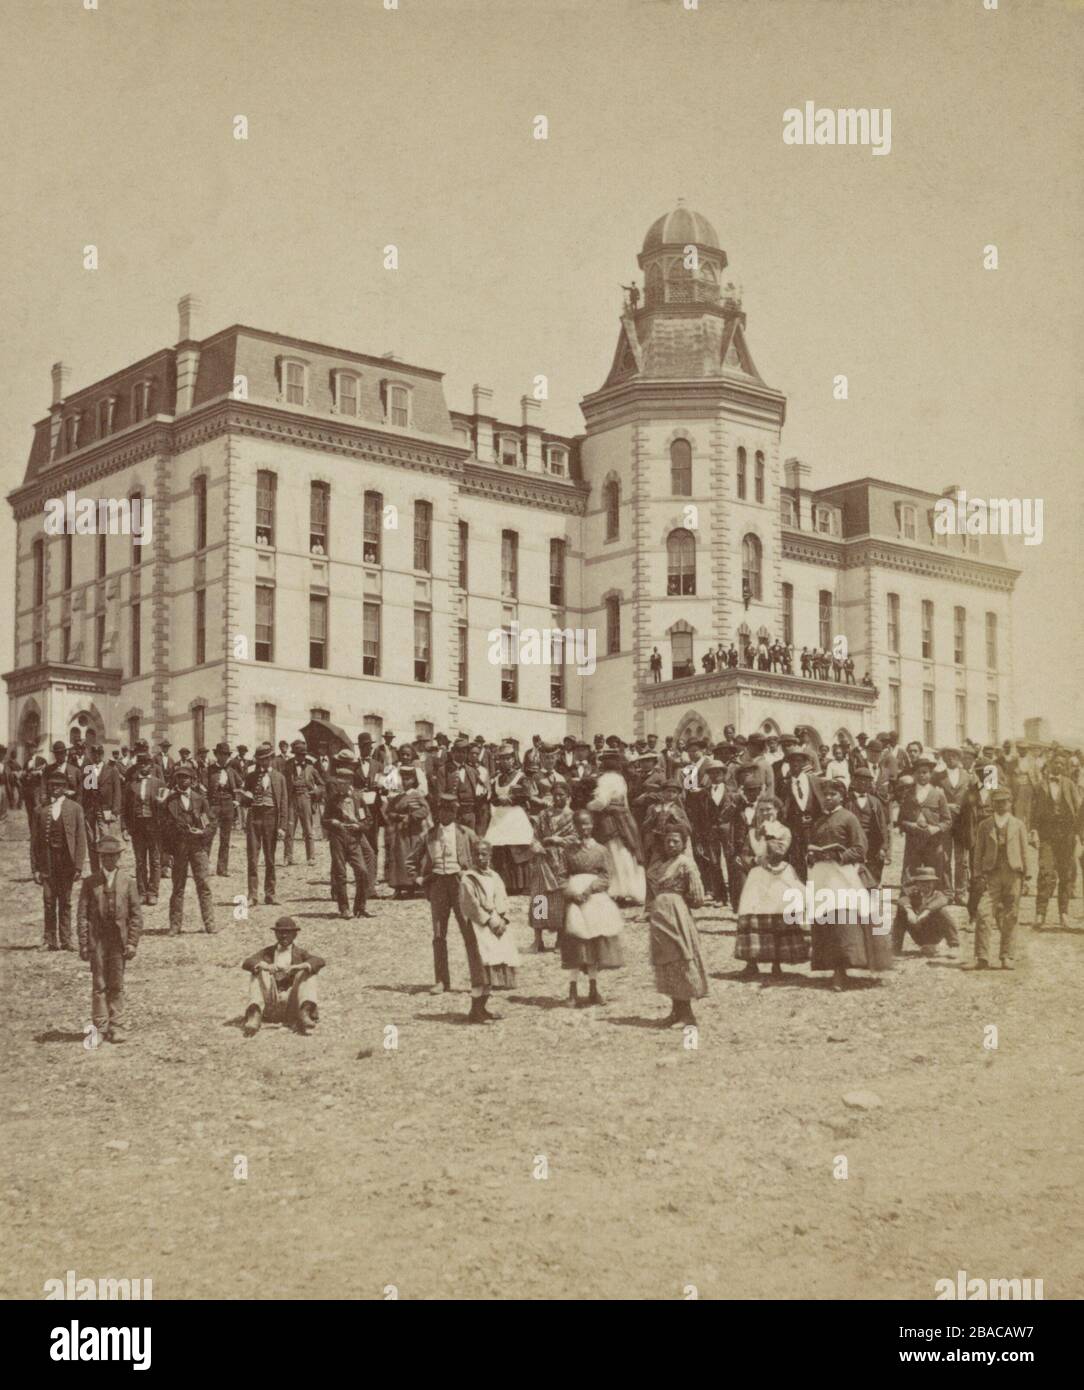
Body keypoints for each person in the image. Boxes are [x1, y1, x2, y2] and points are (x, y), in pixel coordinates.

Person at [808, 778, 893, 990]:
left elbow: (860, 848)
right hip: (822, 876)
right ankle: (832, 965)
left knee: (844, 921)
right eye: (825, 794)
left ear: (841, 797)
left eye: (832, 794)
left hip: (843, 876)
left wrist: (840, 855)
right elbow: (811, 846)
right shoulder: (818, 821)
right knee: (826, 920)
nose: (828, 798)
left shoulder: (849, 818)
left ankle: (842, 970)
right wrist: (812, 855)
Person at [77, 834, 142, 1044]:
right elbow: (83, 915)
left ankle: (116, 1025)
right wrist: (84, 942)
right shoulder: (90, 882)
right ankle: (100, 1027)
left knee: (117, 983)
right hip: (98, 939)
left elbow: (135, 915)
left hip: (118, 941)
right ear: (100, 858)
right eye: (105, 856)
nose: (109, 860)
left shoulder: (127, 882)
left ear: (119, 857)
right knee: (99, 984)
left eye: (113, 856)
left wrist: (132, 942)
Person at [734, 798, 808, 979]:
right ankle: (752, 962)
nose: (765, 813)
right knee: (752, 913)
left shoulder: (784, 831)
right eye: (761, 810)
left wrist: (767, 836)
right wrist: (752, 861)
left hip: (779, 875)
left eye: (769, 809)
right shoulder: (752, 832)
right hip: (757, 875)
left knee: (777, 915)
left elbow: (779, 853)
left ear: (777, 811)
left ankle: (777, 963)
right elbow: (744, 854)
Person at [561, 809, 624, 1007]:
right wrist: (571, 893)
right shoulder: (568, 850)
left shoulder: (601, 850)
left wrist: (589, 891)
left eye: (587, 824)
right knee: (576, 944)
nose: (584, 828)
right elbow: (561, 876)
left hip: (594, 900)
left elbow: (606, 877)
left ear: (593, 825)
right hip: (575, 901)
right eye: (580, 824)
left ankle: (593, 988)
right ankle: (572, 990)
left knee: (594, 944)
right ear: (575, 826)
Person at [645, 828, 708, 1025]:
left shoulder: (686, 864)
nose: (671, 845)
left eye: (675, 841)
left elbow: (698, 897)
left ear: (683, 843)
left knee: (680, 958)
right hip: (659, 917)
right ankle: (675, 1010)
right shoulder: (660, 865)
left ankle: (687, 1013)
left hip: (677, 915)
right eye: (668, 841)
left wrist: (678, 900)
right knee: (667, 961)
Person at [419, 794, 480, 994]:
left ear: (456, 812)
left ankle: (478, 979)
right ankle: (441, 981)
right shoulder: (429, 834)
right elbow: (412, 860)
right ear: (438, 812)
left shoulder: (466, 833)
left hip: (459, 883)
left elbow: (482, 856)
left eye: (451, 810)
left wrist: (472, 878)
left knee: (469, 932)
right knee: (438, 934)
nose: (447, 813)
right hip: (437, 884)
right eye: (443, 809)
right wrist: (420, 879)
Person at [457, 840, 521, 1023]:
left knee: (493, 966)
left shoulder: (494, 876)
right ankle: (475, 1010)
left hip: (496, 925)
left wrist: (502, 918)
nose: (480, 857)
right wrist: (490, 920)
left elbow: (502, 897)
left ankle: (483, 1008)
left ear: (490, 855)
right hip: (479, 927)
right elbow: (470, 906)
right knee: (480, 969)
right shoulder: (468, 879)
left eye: (484, 854)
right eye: (477, 854)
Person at [966, 786, 1028, 971]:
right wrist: (977, 874)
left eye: (1005, 801)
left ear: (1011, 803)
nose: (1001, 805)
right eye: (997, 802)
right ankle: (982, 957)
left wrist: (1028, 876)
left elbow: (1025, 851)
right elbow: (978, 852)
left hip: (1013, 873)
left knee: (1011, 914)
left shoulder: (1018, 824)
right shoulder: (985, 825)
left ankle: (1007, 956)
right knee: (983, 912)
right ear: (992, 804)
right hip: (991, 874)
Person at [33, 770, 88, 950]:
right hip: (47, 861)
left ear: (65, 788)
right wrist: (35, 868)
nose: (55, 789)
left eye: (59, 786)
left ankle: (66, 939)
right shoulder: (40, 810)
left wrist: (78, 866)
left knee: (66, 901)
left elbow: (81, 840)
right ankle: (49, 939)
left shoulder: (75, 808)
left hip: (66, 862)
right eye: (52, 785)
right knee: (48, 900)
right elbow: (34, 843)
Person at [242, 917, 323, 1036]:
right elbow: (248, 962)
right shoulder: (268, 952)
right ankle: (255, 1014)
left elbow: (319, 961)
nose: (284, 936)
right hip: (271, 1003)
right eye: (280, 932)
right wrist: (264, 965)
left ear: (295, 935)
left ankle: (305, 1012)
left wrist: (299, 966)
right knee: (257, 970)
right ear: (275, 934)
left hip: (292, 1003)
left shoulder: (300, 953)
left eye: (288, 933)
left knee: (308, 971)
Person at [161, 766, 217, 935]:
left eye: (186, 777)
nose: (182, 780)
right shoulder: (170, 802)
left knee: (203, 885)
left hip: (197, 848)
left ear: (192, 780)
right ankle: (175, 925)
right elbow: (164, 828)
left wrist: (202, 832)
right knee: (178, 887)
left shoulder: (200, 800)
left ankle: (210, 923)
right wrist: (166, 852)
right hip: (179, 849)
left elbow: (211, 824)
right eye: (179, 777)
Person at [1029, 752, 1082, 928]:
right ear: (1050, 764)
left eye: (1061, 764)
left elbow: (1078, 809)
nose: (1058, 766)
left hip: (1066, 835)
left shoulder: (1070, 785)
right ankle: (1040, 913)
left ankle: (1063, 913)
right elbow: (1033, 811)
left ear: (1064, 767)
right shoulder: (1039, 786)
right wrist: (1033, 830)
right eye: (1055, 763)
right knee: (1045, 873)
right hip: (1047, 835)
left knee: (1066, 874)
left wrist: (1079, 834)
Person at [323, 752, 376, 919]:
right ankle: (344, 908)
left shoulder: (358, 798)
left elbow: (368, 819)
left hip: (354, 838)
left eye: (343, 783)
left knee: (362, 871)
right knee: (340, 873)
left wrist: (358, 826)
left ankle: (360, 906)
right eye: (338, 782)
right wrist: (333, 822)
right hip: (338, 838)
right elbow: (324, 820)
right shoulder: (333, 800)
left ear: (349, 782)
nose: (340, 786)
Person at [525, 780, 575, 952]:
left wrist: (558, 840)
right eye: (555, 795)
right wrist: (536, 846)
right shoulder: (544, 815)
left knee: (560, 900)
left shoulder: (573, 817)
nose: (558, 798)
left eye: (562, 795)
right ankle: (538, 939)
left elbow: (577, 838)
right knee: (539, 898)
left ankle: (561, 940)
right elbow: (535, 836)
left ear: (569, 797)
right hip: (543, 860)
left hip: (562, 861)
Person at [241, 743, 287, 906]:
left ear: (271, 758)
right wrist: (245, 796)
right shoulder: (250, 776)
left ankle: (270, 894)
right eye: (261, 759)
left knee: (270, 858)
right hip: (254, 817)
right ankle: (253, 895)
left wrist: (282, 826)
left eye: (267, 759)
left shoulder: (279, 777)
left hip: (271, 818)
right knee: (252, 857)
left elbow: (283, 803)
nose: (264, 762)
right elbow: (244, 801)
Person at [898, 755, 951, 880]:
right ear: (914, 775)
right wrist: (910, 825)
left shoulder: (938, 794)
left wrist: (935, 828)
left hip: (933, 840)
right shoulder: (908, 794)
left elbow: (947, 821)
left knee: (935, 869)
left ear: (931, 774)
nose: (922, 775)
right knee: (911, 869)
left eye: (925, 772)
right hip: (913, 840)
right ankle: (909, 895)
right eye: (918, 773)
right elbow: (901, 820)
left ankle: (936, 896)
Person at [891, 868, 959, 959]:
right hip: (918, 932)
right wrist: (909, 910)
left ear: (934, 883)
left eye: (929, 882)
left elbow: (943, 900)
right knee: (901, 911)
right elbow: (902, 899)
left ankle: (954, 946)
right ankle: (895, 947)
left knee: (942, 912)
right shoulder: (914, 894)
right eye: (922, 882)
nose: (925, 885)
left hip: (933, 934)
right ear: (917, 884)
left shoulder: (938, 894)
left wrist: (927, 911)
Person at [936, 747, 973, 904]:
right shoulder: (937, 777)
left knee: (962, 859)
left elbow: (978, 796)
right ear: (943, 758)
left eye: (954, 756)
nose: (951, 758)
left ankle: (960, 892)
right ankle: (947, 891)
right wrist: (947, 806)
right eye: (947, 756)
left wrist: (966, 806)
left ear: (959, 758)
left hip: (962, 822)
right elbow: (933, 796)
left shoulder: (969, 777)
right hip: (944, 821)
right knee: (944, 856)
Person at [203, 742, 243, 875]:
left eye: (226, 755)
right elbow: (203, 789)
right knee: (208, 836)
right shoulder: (209, 770)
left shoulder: (231, 771)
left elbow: (241, 785)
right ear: (216, 755)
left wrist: (237, 800)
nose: (224, 757)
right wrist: (205, 806)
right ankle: (204, 867)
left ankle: (222, 869)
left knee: (225, 839)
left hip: (228, 806)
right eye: (222, 754)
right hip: (213, 805)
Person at [846, 766, 890, 885]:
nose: (863, 783)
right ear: (854, 781)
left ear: (870, 783)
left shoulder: (875, 802)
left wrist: (884, 847)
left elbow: (883, 826)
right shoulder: (847, 801)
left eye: (866, 780)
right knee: (852, 874)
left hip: (871, 842)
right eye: (859, 779)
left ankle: (873, 899)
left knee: (873, 873)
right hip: (853, 841)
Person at [283, 738, 323, 866]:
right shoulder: (288, 765)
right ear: (295, 754)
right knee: (289, 830)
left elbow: (322, 784)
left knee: (308, 829)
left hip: (306, 799)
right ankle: (288, 857)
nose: (302, 757)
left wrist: (315, 792)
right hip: (291, 800)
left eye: (304, 755)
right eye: (299, 754)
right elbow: (282, 781)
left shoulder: (311, 767)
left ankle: (311, 857)